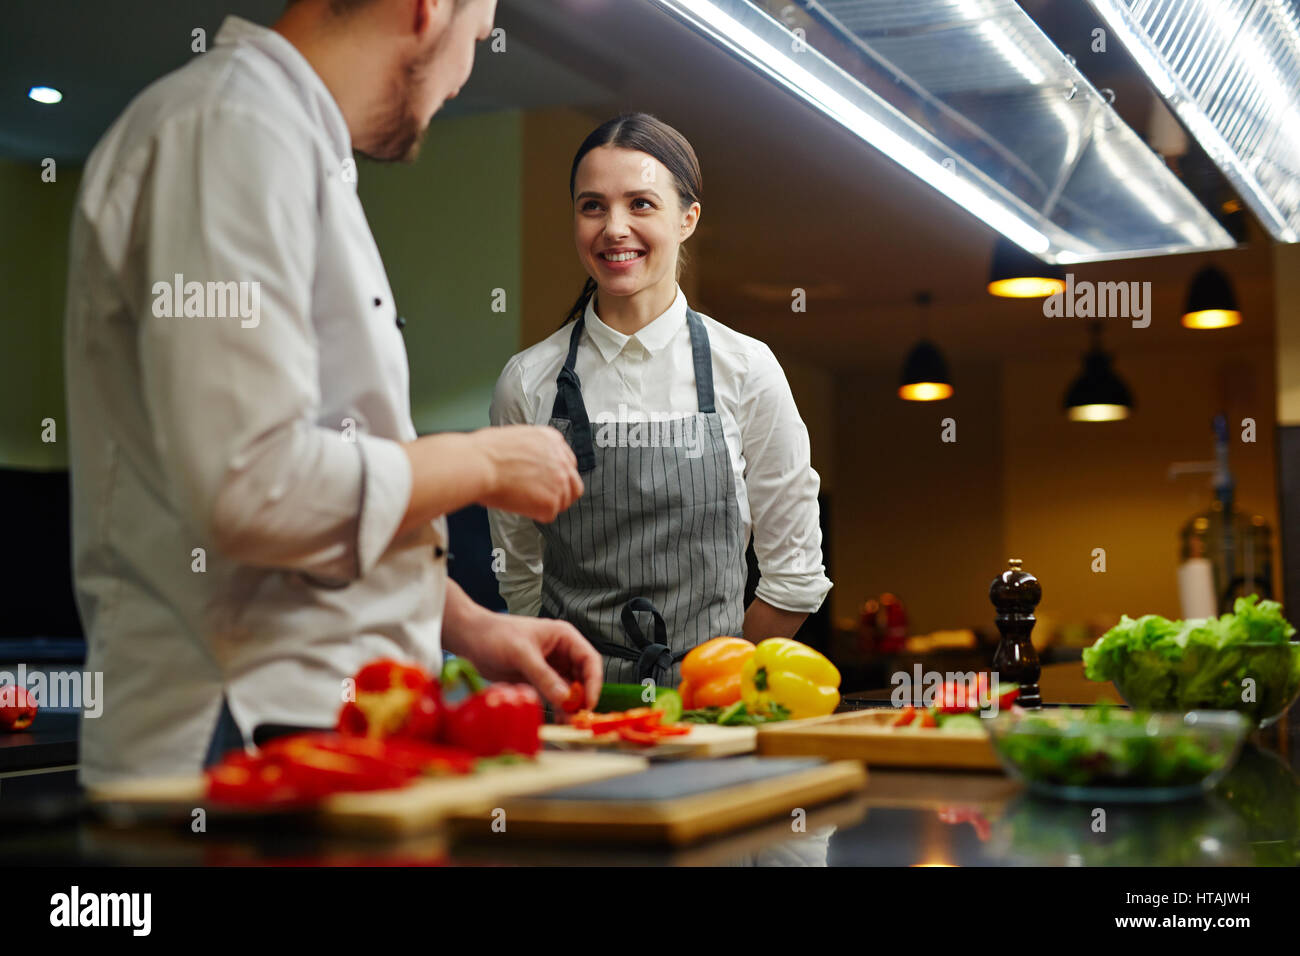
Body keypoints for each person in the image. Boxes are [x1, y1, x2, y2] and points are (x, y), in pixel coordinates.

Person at [64, 0, 599, 785]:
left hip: (312, 716)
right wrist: (480, 462)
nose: (464, 75)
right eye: (475, 40)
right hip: (237, 728)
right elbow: (251, 486)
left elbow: (321, 500)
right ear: (426, 9)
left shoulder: (285, 139)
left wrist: (470, 624)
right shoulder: (232, 128)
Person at [489, 113, 831, 686]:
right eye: (592, 206)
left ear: (688, 218)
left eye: (641, 204)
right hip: (572, 716)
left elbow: (795, 577)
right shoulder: (527, 383)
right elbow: (520, 574)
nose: (613, 228)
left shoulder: (747, 371)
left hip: (710, 719)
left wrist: (715, 682)